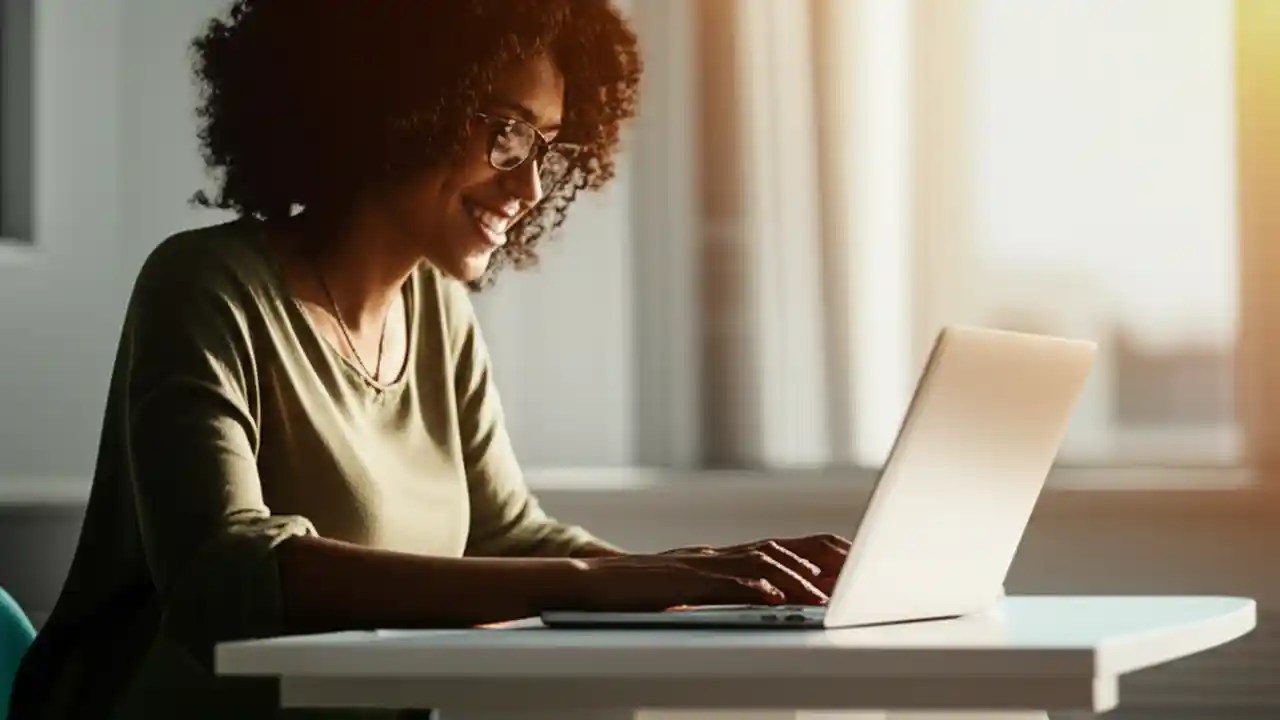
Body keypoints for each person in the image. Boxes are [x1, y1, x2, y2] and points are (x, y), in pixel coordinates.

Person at [11, 2, 851, 717]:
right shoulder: (203, 286)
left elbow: (506, 536)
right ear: (398, 99)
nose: (527, 190)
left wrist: (704, 581)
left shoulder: (436, 312)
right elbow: (224, 580)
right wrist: (600, 584)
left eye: (546, 146)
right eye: (507, 131)